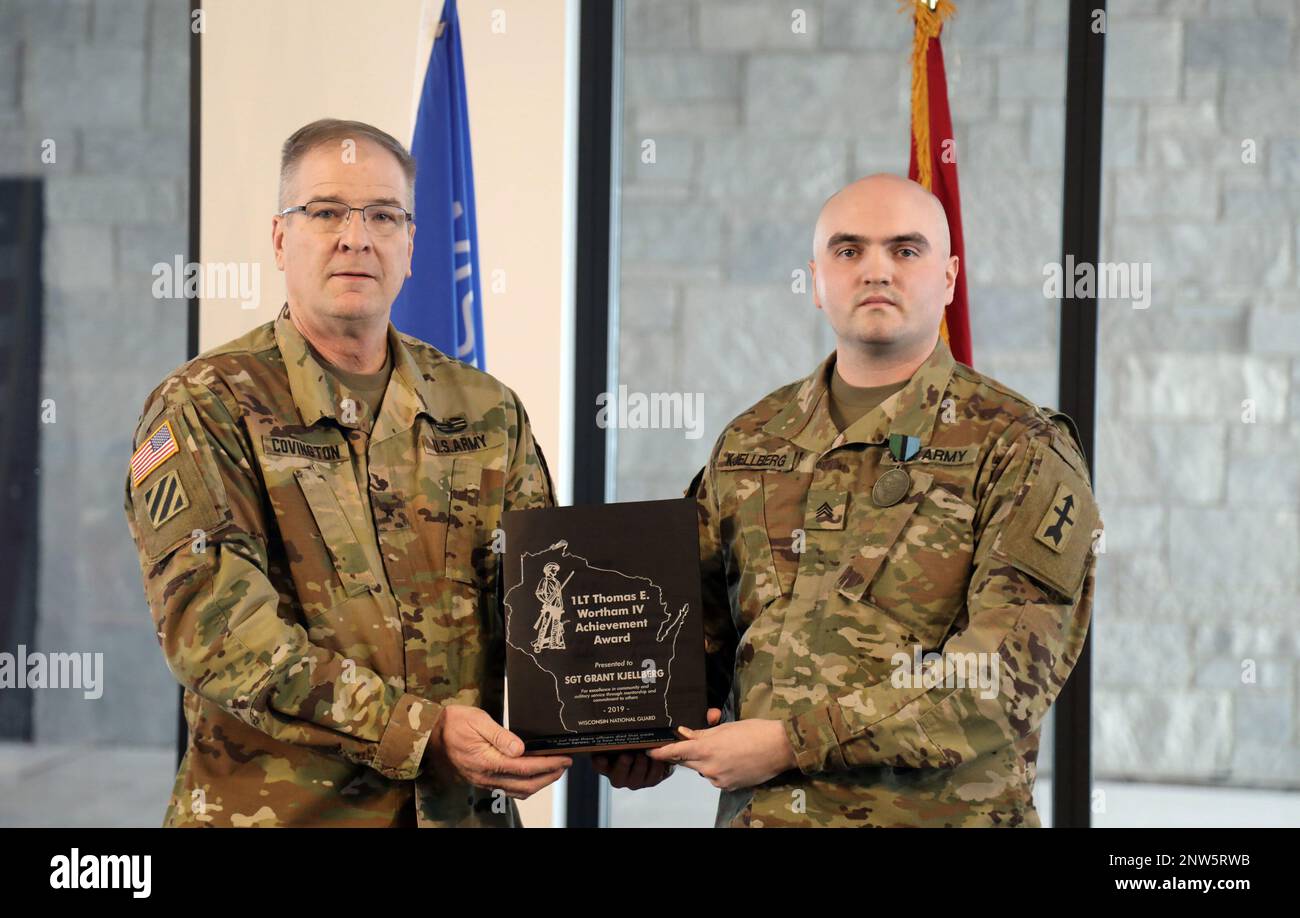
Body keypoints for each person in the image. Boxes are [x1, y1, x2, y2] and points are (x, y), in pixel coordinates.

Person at [123, 118, 573, 826]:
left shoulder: (485, 411)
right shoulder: (207, 407)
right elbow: (217, 632)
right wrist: (417, 731)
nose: (355, 237)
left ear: (411, 245)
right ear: (280, 238)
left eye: (383, 216)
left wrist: (620, 718)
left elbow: (548, 597)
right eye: (327, 211)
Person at [649, 174, 1101, 827]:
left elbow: (1000, 680)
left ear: (948, 279)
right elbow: (697, 634)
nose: (876, 270)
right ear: (815, 279)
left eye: (905, 250)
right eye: (849, 250)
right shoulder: (752, 441)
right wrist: (635, 731)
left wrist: (789, 742)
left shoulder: (1019, 448)